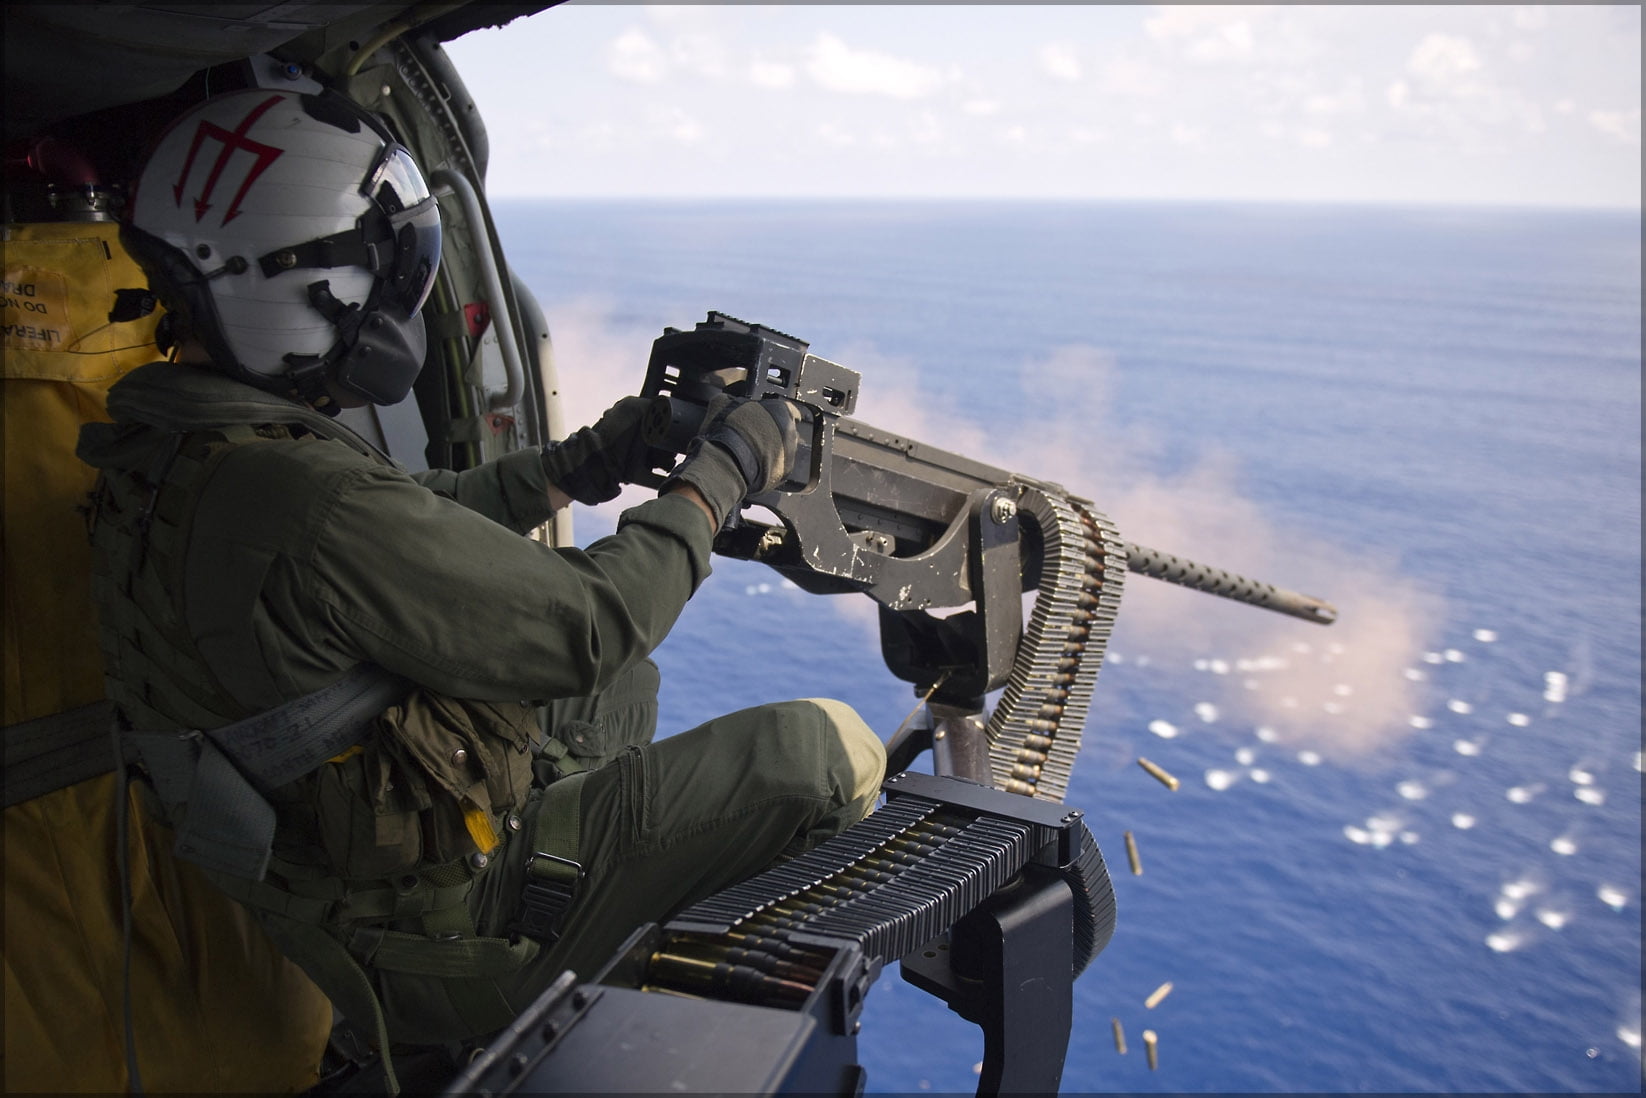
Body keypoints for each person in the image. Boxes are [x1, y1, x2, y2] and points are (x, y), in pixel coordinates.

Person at [77, 87, 885, 1076]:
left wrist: (580, 464)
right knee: (824, 751)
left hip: (324, 891)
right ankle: (643, 992)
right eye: (387, 278)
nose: (397, 307)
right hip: (442, 940)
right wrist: (722, 476)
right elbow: (594, 621)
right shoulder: (295, 496)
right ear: (297, 288)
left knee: (616, 687)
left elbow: (412, 521)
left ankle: (604, 856)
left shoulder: (174, 455)